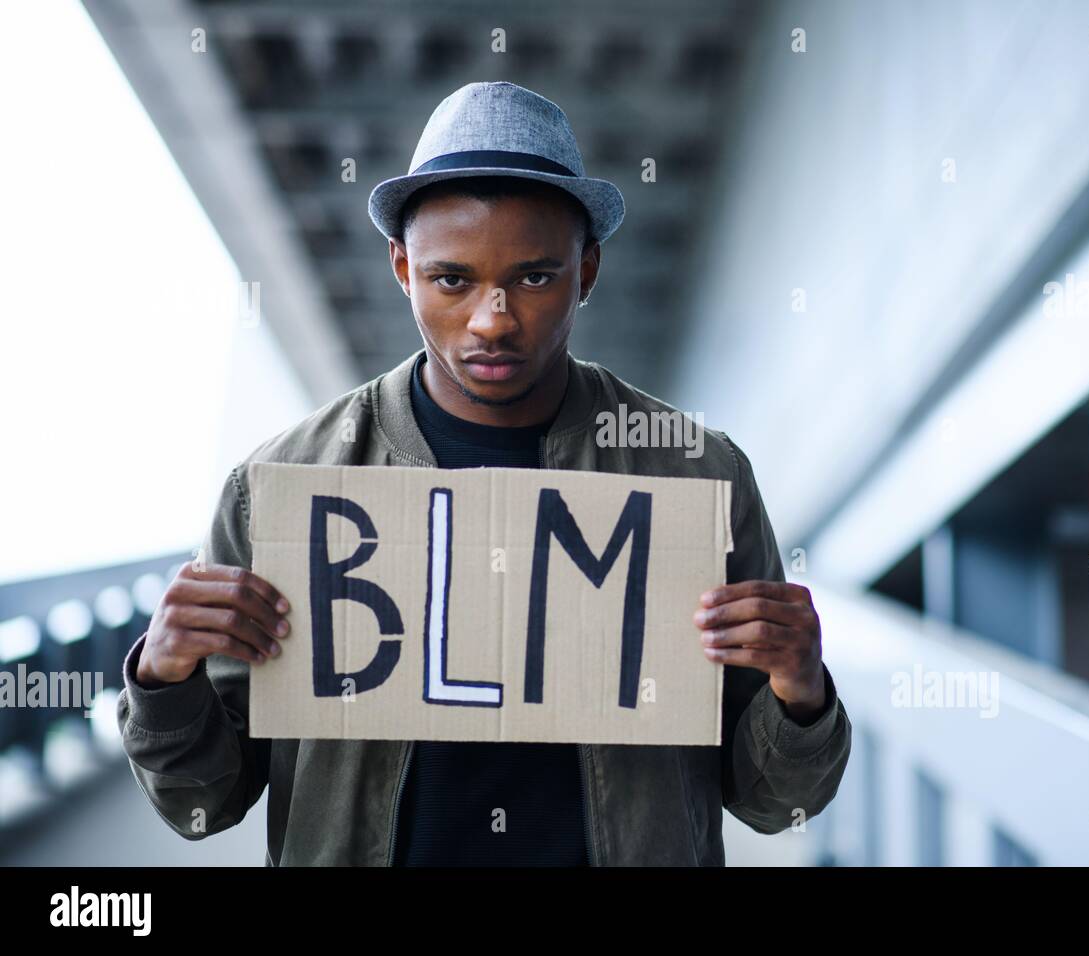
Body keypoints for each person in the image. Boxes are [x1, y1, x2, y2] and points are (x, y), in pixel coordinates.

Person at [117, 81, 851, 866]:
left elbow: (779, 808)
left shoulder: (697, 475)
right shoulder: (281, 487)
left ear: (588, 270)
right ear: (403, 268)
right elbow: (205, 804)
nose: (492, 319)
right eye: (451, 279)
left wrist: (800, 692)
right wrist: (165, 680)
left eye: (535, 277)